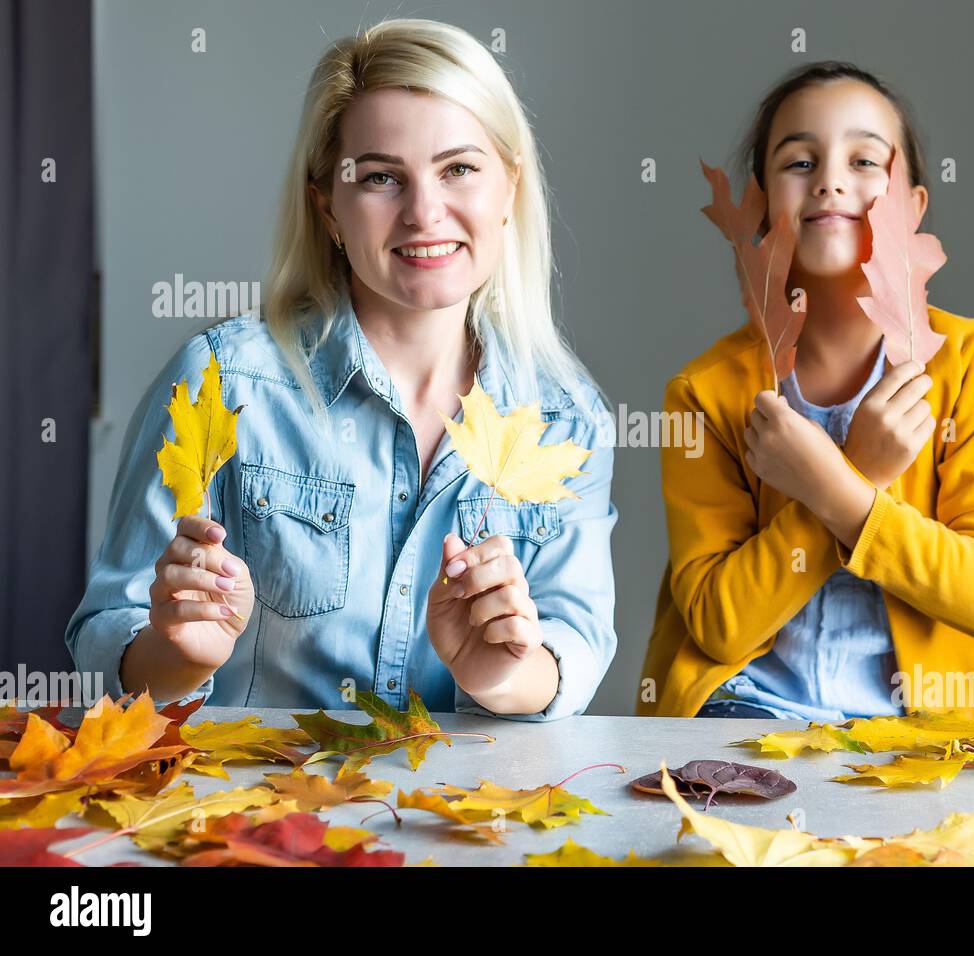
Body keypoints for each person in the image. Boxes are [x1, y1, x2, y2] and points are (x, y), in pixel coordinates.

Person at [65, 19, 617, 718]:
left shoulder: (568, 417)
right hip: (255, 813)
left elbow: (578, 639)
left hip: (464, 819)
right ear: (328, 208)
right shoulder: (221, 382)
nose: (424, 212)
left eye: (459, 169)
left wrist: (502, 675)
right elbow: (106, 638)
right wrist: (179, 655)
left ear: (508, 188)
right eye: (382, 177)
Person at [639, 62, 974, 721]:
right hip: (743, 710)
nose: (829, 180)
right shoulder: (705, 393)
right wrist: (861, 474)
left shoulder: (972, 368)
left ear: (912, 206)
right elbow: (717, 622)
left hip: (923, 732)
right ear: (760, 202)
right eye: (799, 162)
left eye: (864, 160)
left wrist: (839, 489)